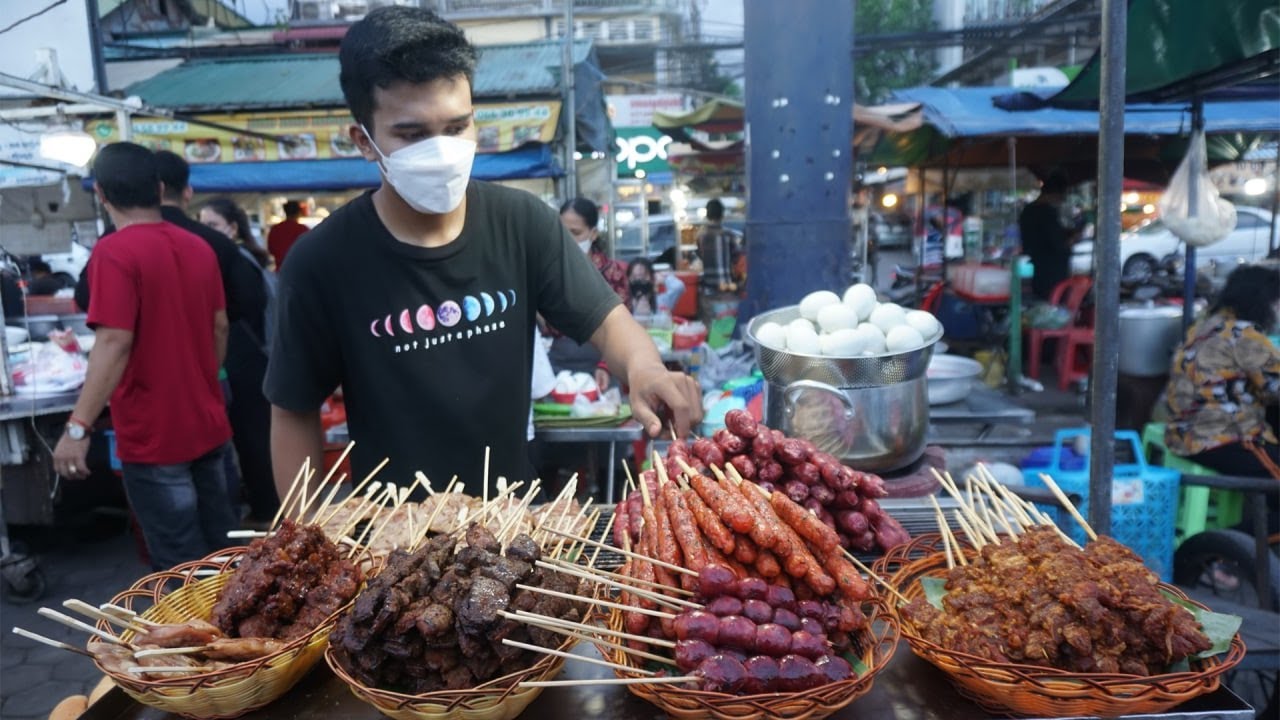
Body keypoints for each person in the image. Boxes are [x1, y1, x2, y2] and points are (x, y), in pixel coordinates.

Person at [264, 7, 701, 494]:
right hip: (391, 544)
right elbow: (293, 409)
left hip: (508, 526)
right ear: (364, 142)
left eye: (456, 127)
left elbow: (607, 322)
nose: (441, 149)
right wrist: (306, 534)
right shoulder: (322, 261)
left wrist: (644, 367)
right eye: (411, 135)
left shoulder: (523, 222)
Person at [51, 142, 236, 570]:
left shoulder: (114, 252)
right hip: (209, 422)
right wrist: (202, 380)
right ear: (158, 187)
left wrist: (77, 429)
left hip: (155, 435)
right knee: (225, 557)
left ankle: (199, 638)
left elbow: (114, 341)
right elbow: (219, 325)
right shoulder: (198, 247)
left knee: (180, 566)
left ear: (101, 194)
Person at [1165, 264, 1280, 483]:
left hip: (1183, 433)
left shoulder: (1206, 326)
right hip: (1221, 438)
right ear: (1263, 301)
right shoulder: (1244, 336)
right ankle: (1254, 519)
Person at [546, 197, 629, 391]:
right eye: (562, 231)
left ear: (593, 234)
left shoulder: (612, 273)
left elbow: (624, 329)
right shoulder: (549, 270)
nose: (567, 239)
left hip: (602, 366)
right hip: (557, 366)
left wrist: (605, 366)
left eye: (575, 233)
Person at [1019, 171, 1080, 301]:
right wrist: (1072, 238)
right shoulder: (1046, 213)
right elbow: (1058, 245)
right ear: (1056, 193)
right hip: (1052, 274)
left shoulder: (1027, 211)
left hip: (1038, 270)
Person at [695, 198, 742, 328]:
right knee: (726, 327)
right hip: (726, 289)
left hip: (708, 288)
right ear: (722, 215)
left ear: (707, 214)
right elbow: (736, 258)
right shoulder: (729, 235)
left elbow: (700, 256)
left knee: (710, 327)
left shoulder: (701, 236)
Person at [200, 197, 274, 270]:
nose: (205, 231)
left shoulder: (239, 260)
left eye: (212, 225)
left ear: (233, 228)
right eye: (202, 226)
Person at [267, 200, 308, 269]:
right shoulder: (303, 229)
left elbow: (271, 249)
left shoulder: (275, 229)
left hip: (280, 270)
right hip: (300, 270)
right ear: (299, 213)